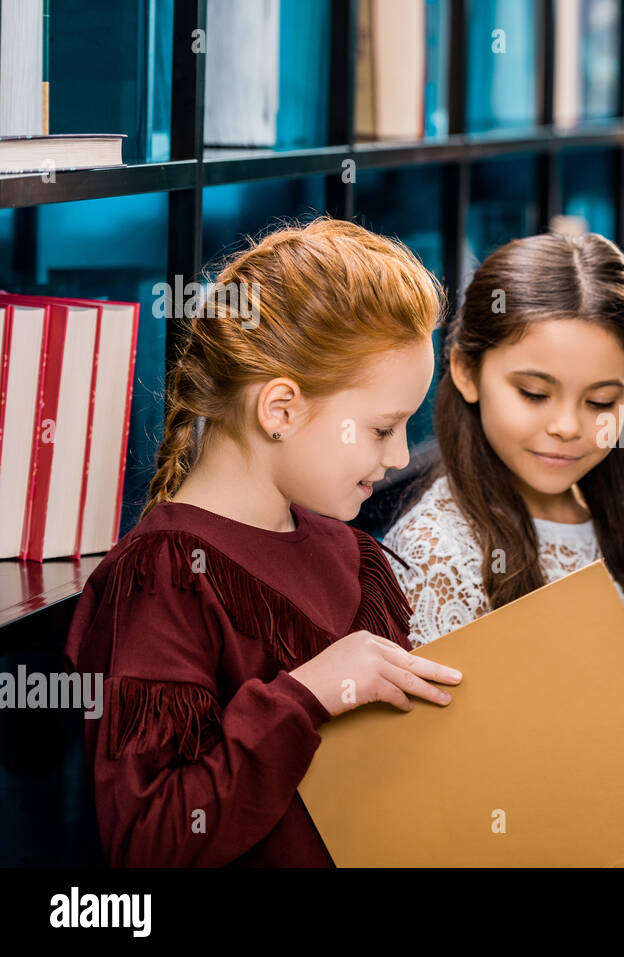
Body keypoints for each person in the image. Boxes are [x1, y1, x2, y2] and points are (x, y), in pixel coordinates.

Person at [63, 219, 463, 867]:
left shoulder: (348, 554)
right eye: (382, 427)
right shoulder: (160, 578)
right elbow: (152, 841)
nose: (397, 455)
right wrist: (305, 695)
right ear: (280, 409)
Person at [385, 231, 624, 672]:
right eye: (533, 393)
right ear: (466, 371)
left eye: (601, 402)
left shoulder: (617, 518)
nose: (566, 427)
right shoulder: (437, 552)